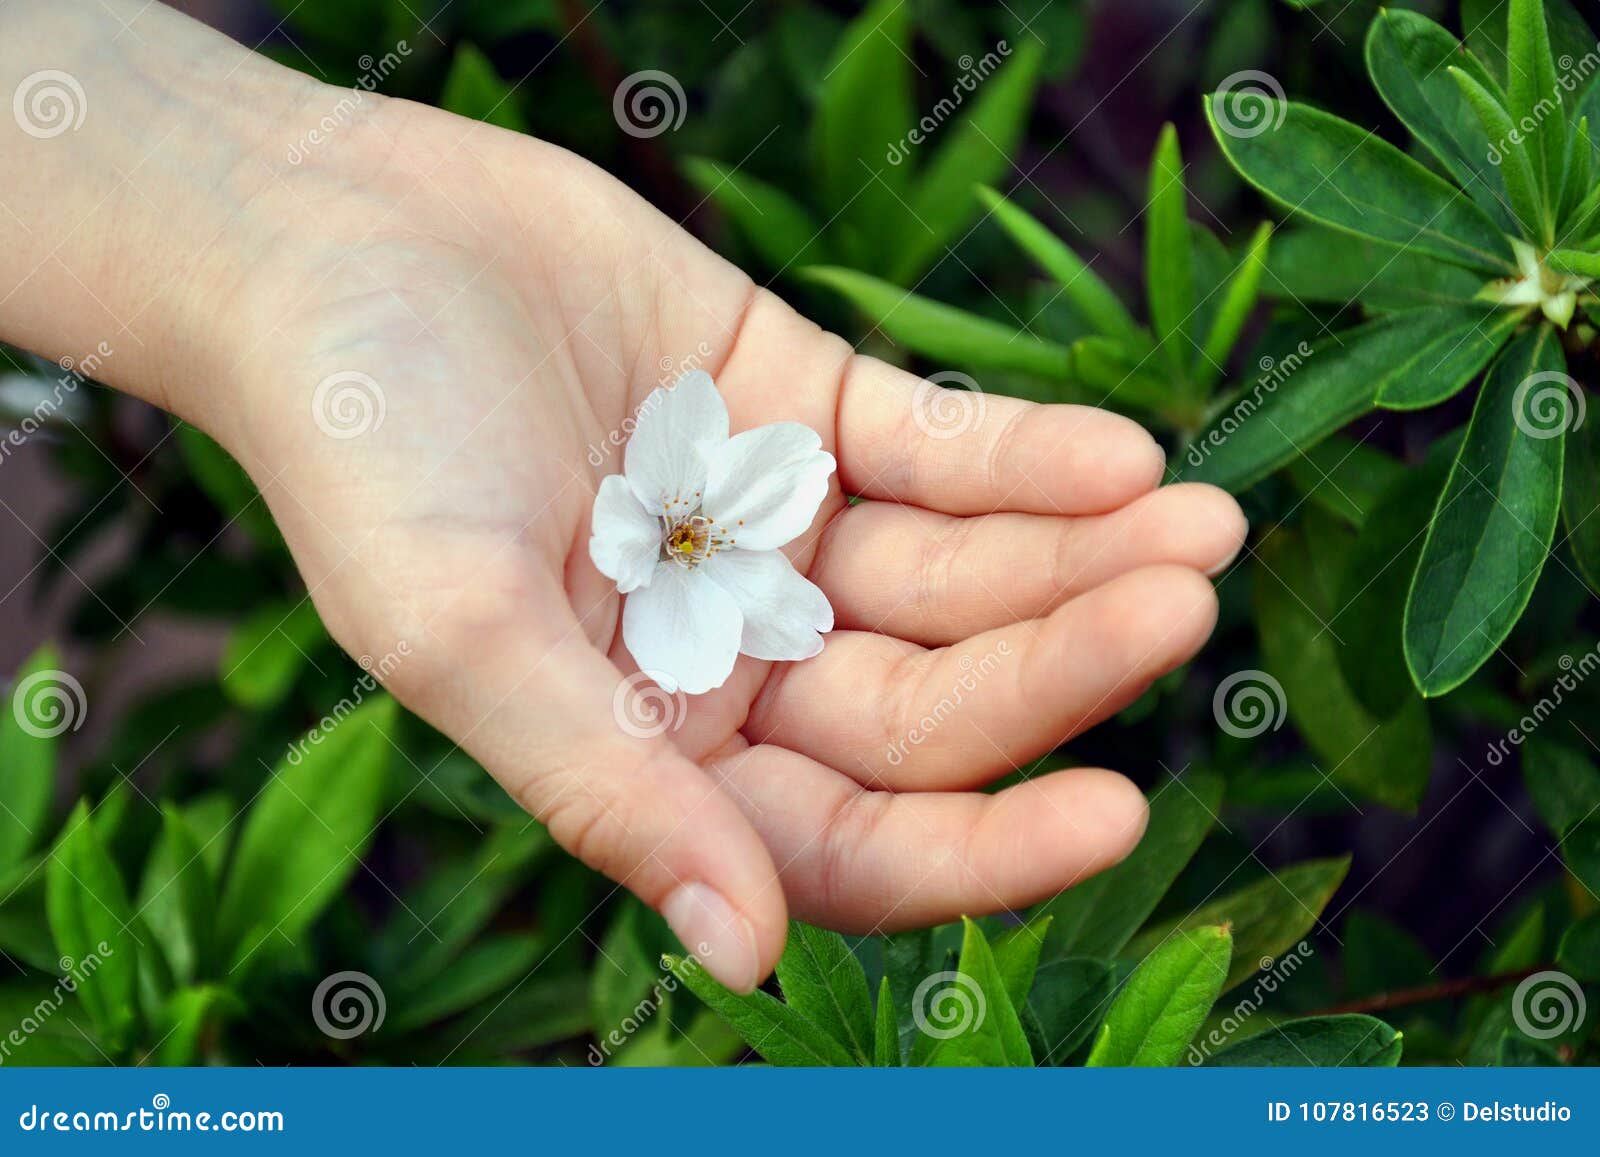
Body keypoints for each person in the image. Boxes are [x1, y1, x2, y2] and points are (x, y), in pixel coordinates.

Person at [0, 0, 1247, 992]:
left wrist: (265, 217)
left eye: (697, 525)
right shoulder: (643, 513)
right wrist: (286, 239)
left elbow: (751, 524)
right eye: (688, 523)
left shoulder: (708, 510)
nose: (691, 530)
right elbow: (667, 519)